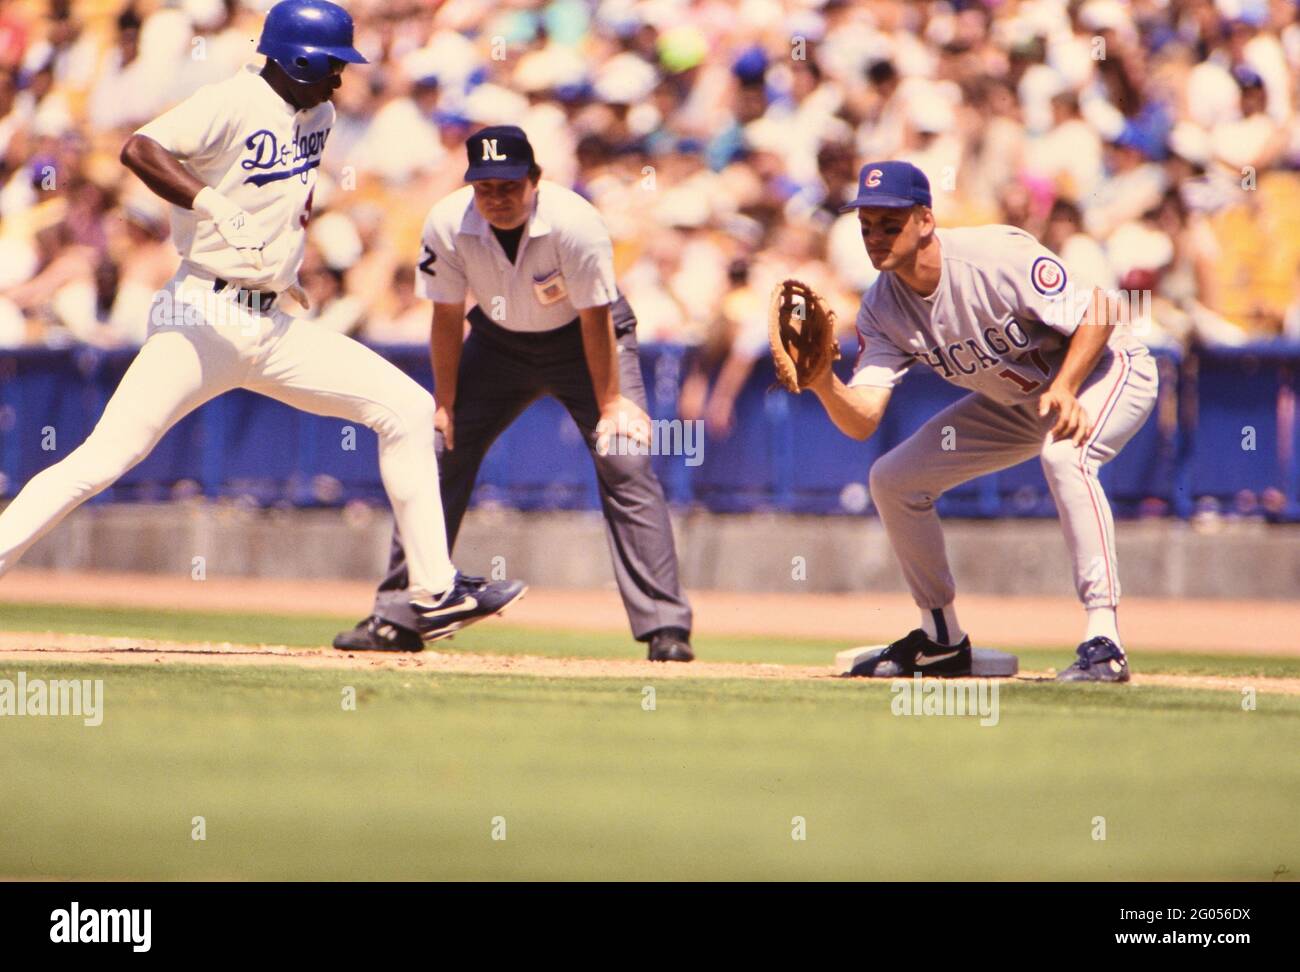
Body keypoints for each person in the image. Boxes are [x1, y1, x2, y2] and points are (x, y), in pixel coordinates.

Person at [0, 0, 526, 643]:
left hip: (272, 322)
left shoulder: (321, 113)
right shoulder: (232, 99)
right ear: (299, 58)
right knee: (103, 460)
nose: (341, 77)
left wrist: (283, 268)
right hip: (200, 316)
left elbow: (281, 198)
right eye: (333, 63)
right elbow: (141, 149)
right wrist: (210, 201)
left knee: (408, 411)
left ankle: (434, 592)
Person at [334, 125, 694, 662]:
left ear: (534, 180)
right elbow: (447, 317)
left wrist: (613, 402)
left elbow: (596, 319)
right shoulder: (447, 222)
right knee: (435, 454)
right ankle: (399, 617)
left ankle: (666, 627)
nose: (497, 199)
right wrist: (445, 404)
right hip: (498, 344)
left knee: (626, 459)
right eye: (486, 188)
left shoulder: (576, 223)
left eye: (509, 186)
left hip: (585, 342)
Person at [810, 161, 1157, 682]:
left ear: (925, 220)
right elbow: (863, 420)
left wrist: (1065, 386)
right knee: (893, 480)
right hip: (1017, 402)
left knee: (1066, 455)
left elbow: (1102, 311)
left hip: (1106, 370)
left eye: (890, 224)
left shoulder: (994, 254)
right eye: (866, 227)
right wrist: (821, 382)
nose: (875, 237)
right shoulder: (882, 308)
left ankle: (1103, 640)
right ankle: (941, 639)